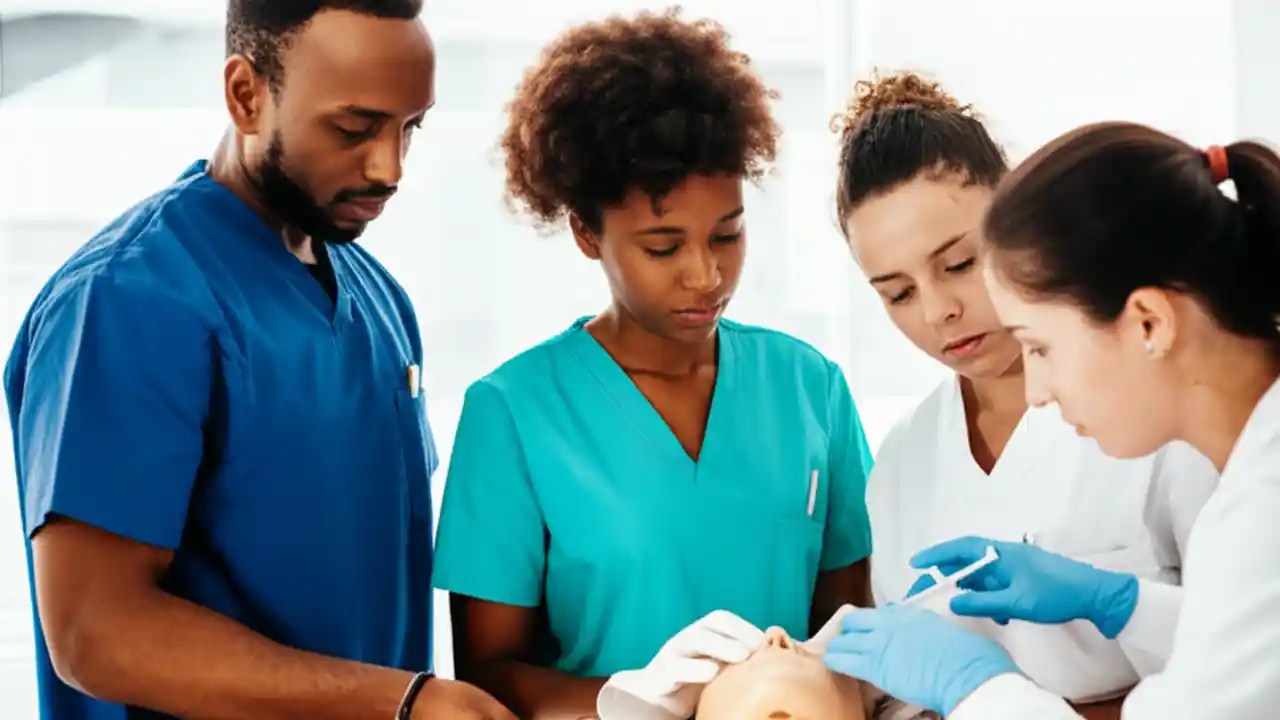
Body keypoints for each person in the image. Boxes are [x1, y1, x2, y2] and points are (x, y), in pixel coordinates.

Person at [2, 2, 514, 719]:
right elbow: (97, 634)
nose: (389, 167)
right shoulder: (130, 300)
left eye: (411, 128)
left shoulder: (381, 302)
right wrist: (402, 703)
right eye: (354, 128)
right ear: (246, 95)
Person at [430, 9, 875, 718]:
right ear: (585, 230)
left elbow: (854, 645)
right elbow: (487, 678)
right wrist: (633, 704)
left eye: (727, 235)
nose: (706, 276)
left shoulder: (809, 387)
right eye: (663, 247)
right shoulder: (515, 412)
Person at [823, 123, 1280, 718]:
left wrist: (976, 686)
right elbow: (1234, 654)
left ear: (1149, 322)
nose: (1035, 392)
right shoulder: (1254, 492)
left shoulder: (1259, 513)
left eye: (1039, 347)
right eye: (898, 293)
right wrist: (1121, 603)